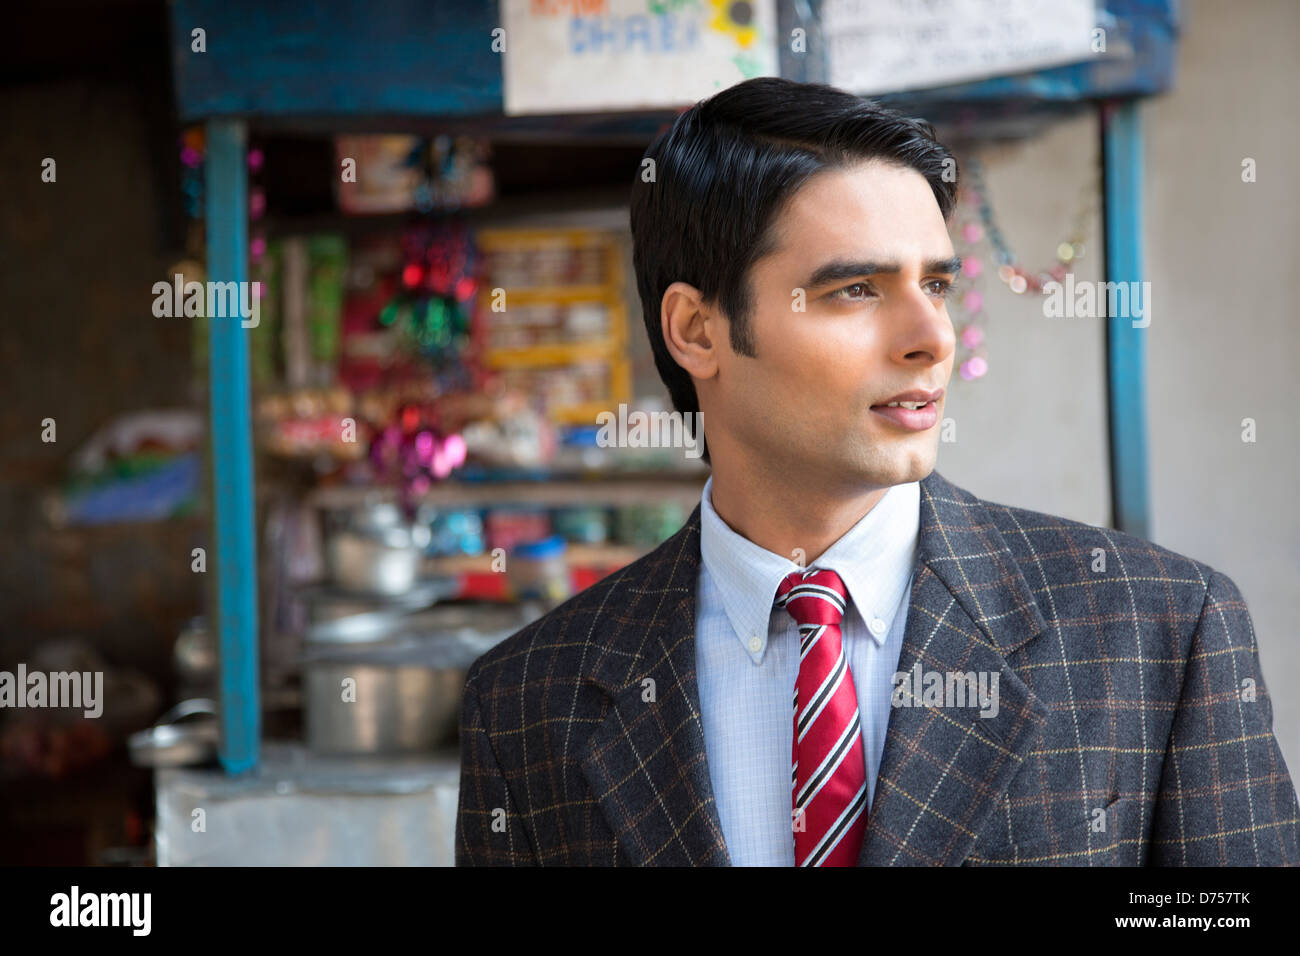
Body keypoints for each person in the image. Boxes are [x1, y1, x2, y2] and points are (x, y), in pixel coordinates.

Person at [454, 77, 1299, 866]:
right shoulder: (531, 697)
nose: (930, 336)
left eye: (936, 284)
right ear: (698, 331)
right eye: (855, 289)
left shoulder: (1157, 630)